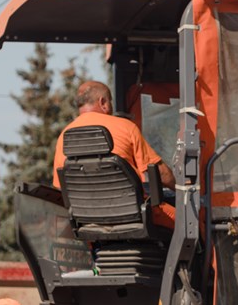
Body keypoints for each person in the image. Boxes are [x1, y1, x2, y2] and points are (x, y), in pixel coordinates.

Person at [52, 79, 176, 227]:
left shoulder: (64, 137)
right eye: (110, 101)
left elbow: (60, 188)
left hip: (88, 223)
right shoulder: (125, 127)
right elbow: (161, 173)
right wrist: (181, 188)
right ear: (103, 102)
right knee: (190, 224)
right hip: (134, 217)